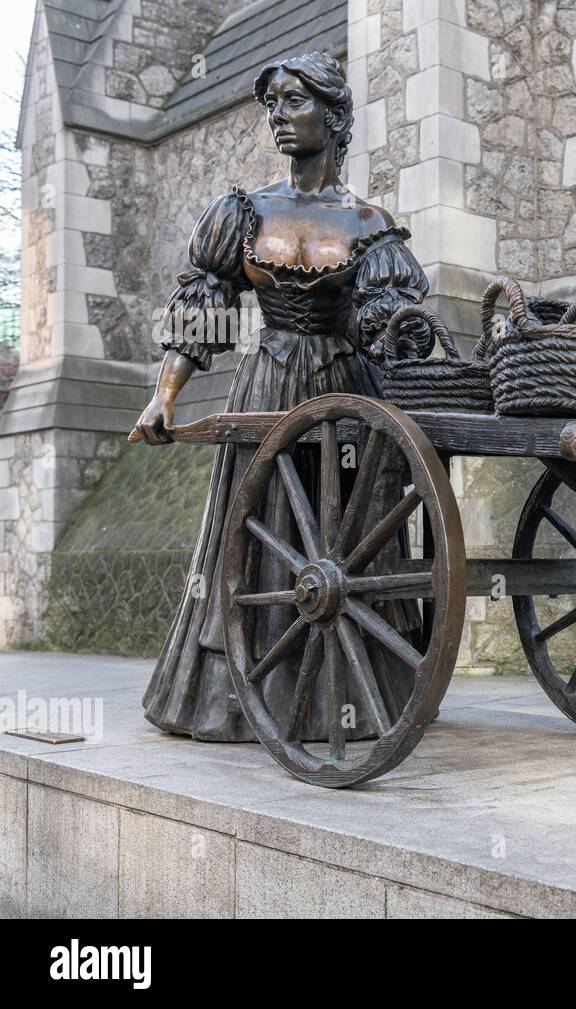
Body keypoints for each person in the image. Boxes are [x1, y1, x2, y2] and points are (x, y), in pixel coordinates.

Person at [133, 52, 429, 741]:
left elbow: (388, 325)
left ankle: (353, 696)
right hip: (266, 383)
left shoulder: (367, 223)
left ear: (332, 114)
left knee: (343, 540)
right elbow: (202, 308)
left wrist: (394, 340)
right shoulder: (243, 212)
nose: (280, 117)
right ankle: (239, 696)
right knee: (256, 531)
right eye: (273, 105)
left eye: (295, 102)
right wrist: (163, 396)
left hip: (344, 393)